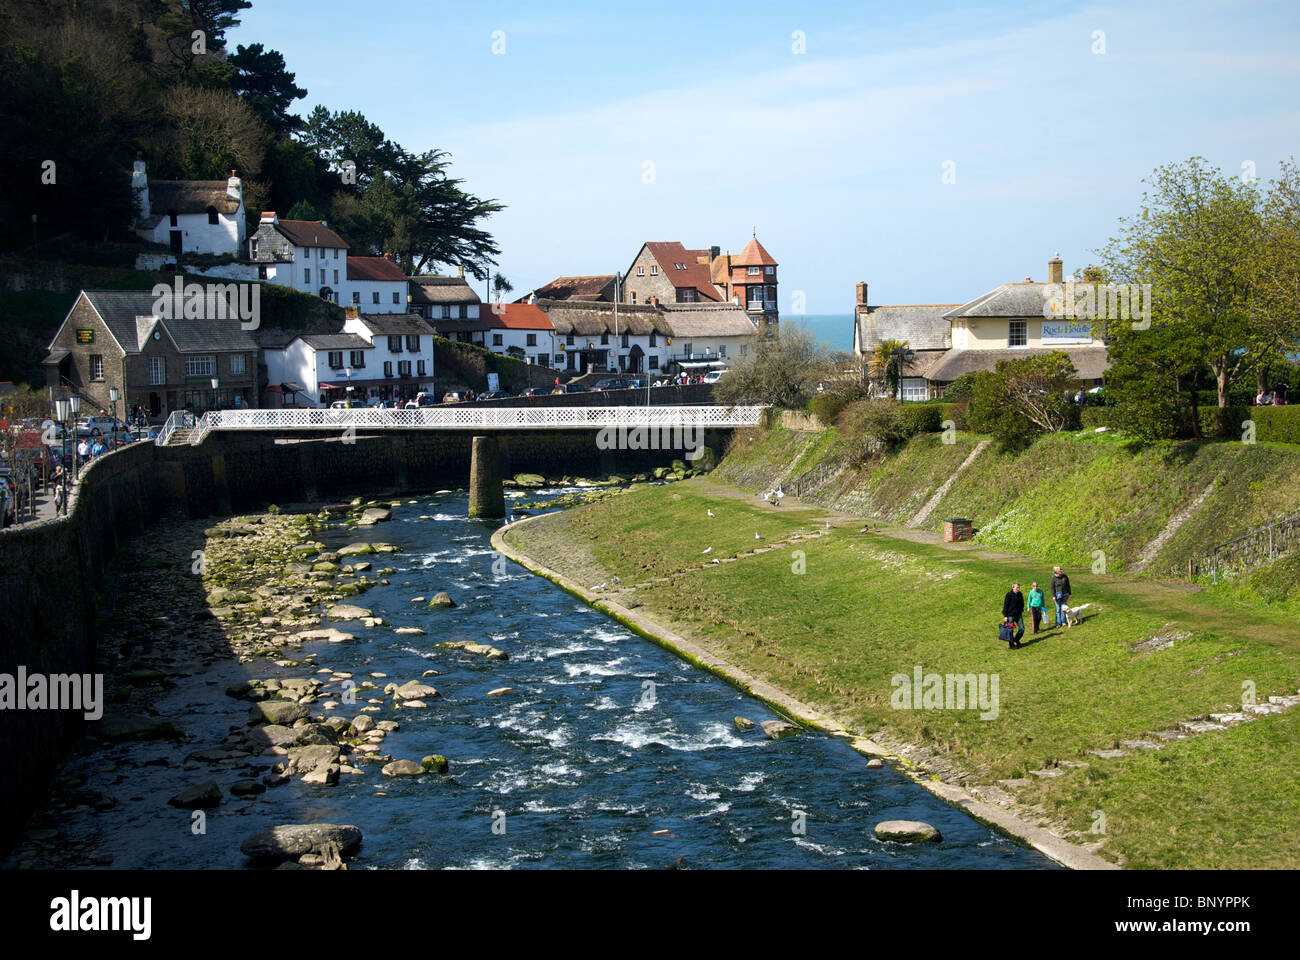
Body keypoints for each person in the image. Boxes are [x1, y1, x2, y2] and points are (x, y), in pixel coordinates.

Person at [1001, 582, 1025, 647]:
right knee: (1010, 630)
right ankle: (1011, 644)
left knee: (1022, 629)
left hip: (1018, 615)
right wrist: (1005, 616)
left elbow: (1022, 603)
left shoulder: (1020, 594)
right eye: (1017, 587)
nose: (1018, 589)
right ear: (1013, 587)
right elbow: (1005, 606)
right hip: (1010, 615)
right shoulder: (1008, 595)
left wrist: (1021, 609)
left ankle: (1016, 639)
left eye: (1018, 587)